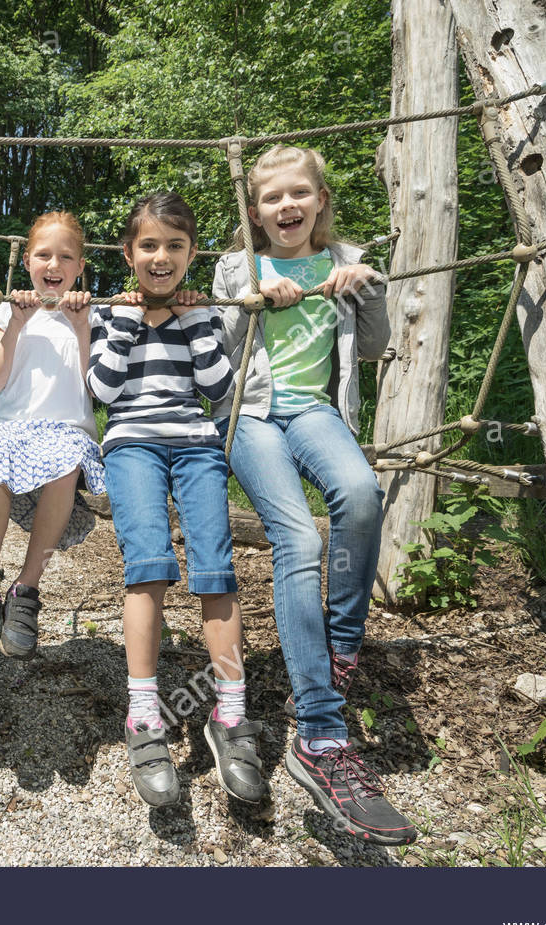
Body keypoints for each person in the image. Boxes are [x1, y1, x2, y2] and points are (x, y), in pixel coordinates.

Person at [212, 144, 415, 845]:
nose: (286, 207)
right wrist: (252, 306)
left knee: (361, 494)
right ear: (255, 210)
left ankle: (341, 647)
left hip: (315, 409)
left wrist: (369, 287)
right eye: (272, 198)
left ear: (320, 200)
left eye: (299, 194)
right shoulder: (237, 267)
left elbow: (370, 348)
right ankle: (322, 740)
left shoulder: (344, 258)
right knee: (298, 538)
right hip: (252, 413)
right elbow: (218, 353)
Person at [87, 192, 266, 809]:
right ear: (129, 252)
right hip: (132, 440)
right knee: (149, 565)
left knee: (217, 568)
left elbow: (220, 391)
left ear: (191, 252)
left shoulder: (204, 313)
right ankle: (143, 713)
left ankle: (231, 712)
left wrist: (193, 322)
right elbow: (102, 389)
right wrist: (135, 318)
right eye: (148, 246)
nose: (161, 257)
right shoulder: (111, 310)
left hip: (195, 442)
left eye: (174, 246)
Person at [0, 212, 105, 663]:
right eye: (43, 255)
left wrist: (82, 329)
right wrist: (15, 324)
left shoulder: (93, 314)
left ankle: (27, 587)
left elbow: (96, 386)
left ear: (80, 267)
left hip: (67, 428)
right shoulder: (4, 310)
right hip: (12, 426)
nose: (53, 264)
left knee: (66, 461)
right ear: (27, 262)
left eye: (65, 256)